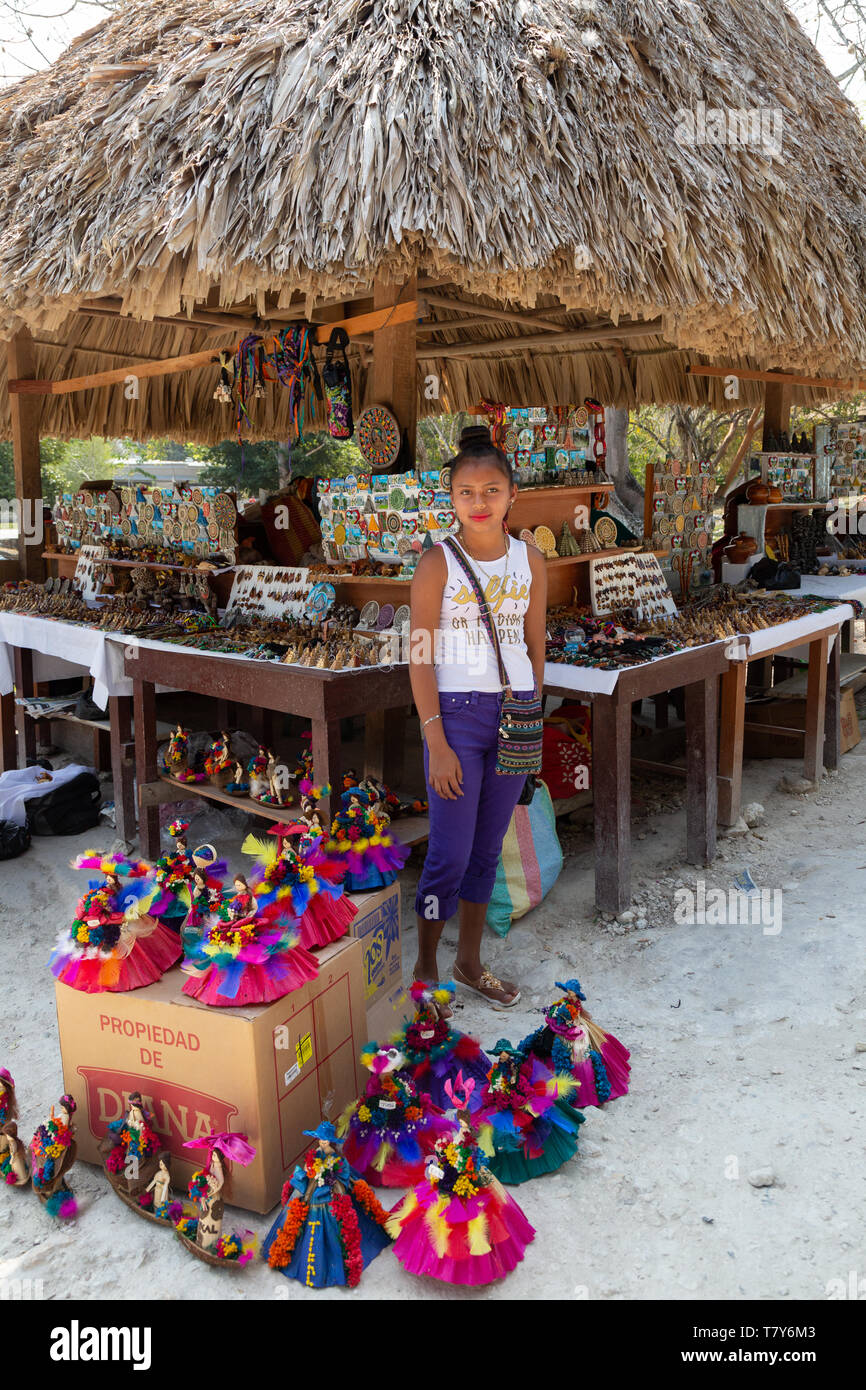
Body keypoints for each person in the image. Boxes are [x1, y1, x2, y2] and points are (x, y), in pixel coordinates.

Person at [409, 424, 547, 1008]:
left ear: (512, 495)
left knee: (489, 850)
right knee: (449, 853)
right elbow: (419, 654)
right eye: (467, 492)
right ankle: (424, 966)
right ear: (452, 498)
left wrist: (533, 712)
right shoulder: (437, 563)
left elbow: (535, 641)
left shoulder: (530, 560)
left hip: (514, 715)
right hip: (455, 719)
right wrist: (435, 738)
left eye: (492, 490)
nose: (480, 503)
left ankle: (469, 962)